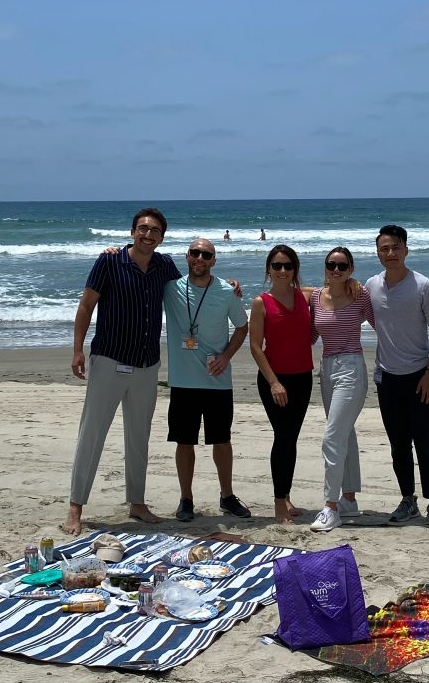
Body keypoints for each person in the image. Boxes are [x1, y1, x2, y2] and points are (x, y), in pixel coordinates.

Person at [63, 208, 180, 536]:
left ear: (161, 237)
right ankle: (76, 506)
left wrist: (226, 288)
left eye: (155, 230)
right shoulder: (109, 262)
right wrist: (77, 350)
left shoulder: (164, 265)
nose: (148, 234)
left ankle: (137, 503)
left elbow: (187, 296)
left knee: (138, 436)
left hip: (146, 364)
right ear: (132, 232)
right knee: (92, 433)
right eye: (143, 228)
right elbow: (86, 305)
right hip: (109, 360)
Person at [365, 224, 429, 527]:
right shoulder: (372, 285)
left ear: (406, 250)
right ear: (378, 253)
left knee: (427, 443)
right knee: (398, 444)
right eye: (384, 249)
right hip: (387, 377)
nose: (390, 253)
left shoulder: (425, 286)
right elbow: (340, 296)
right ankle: (407, 500)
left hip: (419, 376)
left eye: (395, 247)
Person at [164, 237, 252, 522]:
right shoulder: (170, 288)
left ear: (214, 260)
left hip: (217, 380)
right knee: (184, 441)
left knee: (222, 440)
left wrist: (226, 356)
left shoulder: (226, 292)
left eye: (206, 254)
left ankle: (227, 496)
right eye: (195, 253)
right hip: (183, 382)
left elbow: (242, 327)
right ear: (186, 256)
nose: (199, 258)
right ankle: (186, 499)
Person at [308, 248, 374, 533]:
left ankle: (330, 507)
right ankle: (349, 500)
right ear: (325, 267)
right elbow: (310, 335)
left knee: (332, 437)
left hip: (352, 367)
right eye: (331, 265)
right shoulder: (315, 298)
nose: (336, 270)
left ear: (351, 268)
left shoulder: (361, 295)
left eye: (342, 265)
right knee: (345, 433)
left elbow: (383, 325)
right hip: (327, 368)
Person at [248, 245, 315, 525]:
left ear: (295, 269)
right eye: (277, 266)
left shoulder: (308, 296)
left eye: (288, 265)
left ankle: (286, 496)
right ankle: (278, 504)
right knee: (283, 437)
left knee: (292, 439)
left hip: (303, 377)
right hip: (274, 380)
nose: (283, 270)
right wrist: (274, 382)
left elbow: (339, 290)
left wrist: (354, 284)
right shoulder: (261, 302)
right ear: (269, 269)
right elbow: (254, 346)